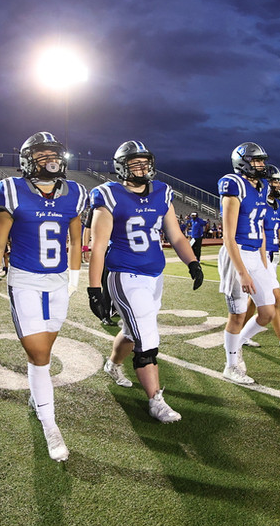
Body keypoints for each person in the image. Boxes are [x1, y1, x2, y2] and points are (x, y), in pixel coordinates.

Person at [0, 132, 86, 462]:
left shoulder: (74, 193)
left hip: (58, 283)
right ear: (27, 160)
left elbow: (75, 241)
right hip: (25, 281)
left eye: (54, 154)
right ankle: (50, 424)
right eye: (42, 155)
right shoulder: (12, 191)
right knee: (39, 355)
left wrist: (74, 279)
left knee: (44, 352)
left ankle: (37, 395)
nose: (50, 160)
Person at [87, 140, 204, 423]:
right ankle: (156, 401)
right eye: (135, 164)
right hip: (125, 275)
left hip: (154, 276)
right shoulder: (108, 195)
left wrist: (192, 262)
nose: (142, 168)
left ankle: (113, 364)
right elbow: (98, 246)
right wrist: (94, 289)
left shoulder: (162, 192)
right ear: (121, 167)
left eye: (145, 162)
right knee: (148, 339)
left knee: (132, 330)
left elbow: (176, 235)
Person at [216, 142, 278, 385]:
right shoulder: (234, 185)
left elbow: (260, 228)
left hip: (255, 254)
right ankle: (231, 365)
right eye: (256, 161)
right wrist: (242, 272)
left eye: (262, 160)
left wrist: (263, 263)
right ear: (243, 162)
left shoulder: (262, 187)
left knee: (268, 312)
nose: (261, 165)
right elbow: (228, 236)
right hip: (237, 253)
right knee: (237, 315)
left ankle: (238, 342)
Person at [241, 165, 280, 355]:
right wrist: (262, 262)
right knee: (275, 299)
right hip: (262, 256)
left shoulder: (279, 206)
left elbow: (279, 233)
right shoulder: (259, 203)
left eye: (279, 181)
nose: (278, 185)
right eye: (275, 181)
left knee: (255, 301)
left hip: (273, 257)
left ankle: (239, 335)